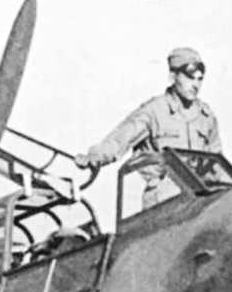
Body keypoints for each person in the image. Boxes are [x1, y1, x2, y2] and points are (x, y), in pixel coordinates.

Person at [76, 47, 221, 206]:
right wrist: (95, 157)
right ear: (173, 76)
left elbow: (217, 165)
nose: (196, 85)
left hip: (199, 202)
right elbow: (120, 140)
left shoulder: (205, 117)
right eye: (190, 78)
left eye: (200, 79)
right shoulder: (154, 111)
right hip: (163, 202)